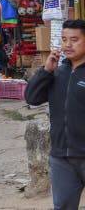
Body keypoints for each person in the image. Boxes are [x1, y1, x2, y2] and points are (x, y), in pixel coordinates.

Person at [25, 20, 85, 210]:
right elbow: (32, 98)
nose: (67, 44)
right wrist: (46, 71)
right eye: (64, 39)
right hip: (62, 159)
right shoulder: (58, 73)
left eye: (74, 39)